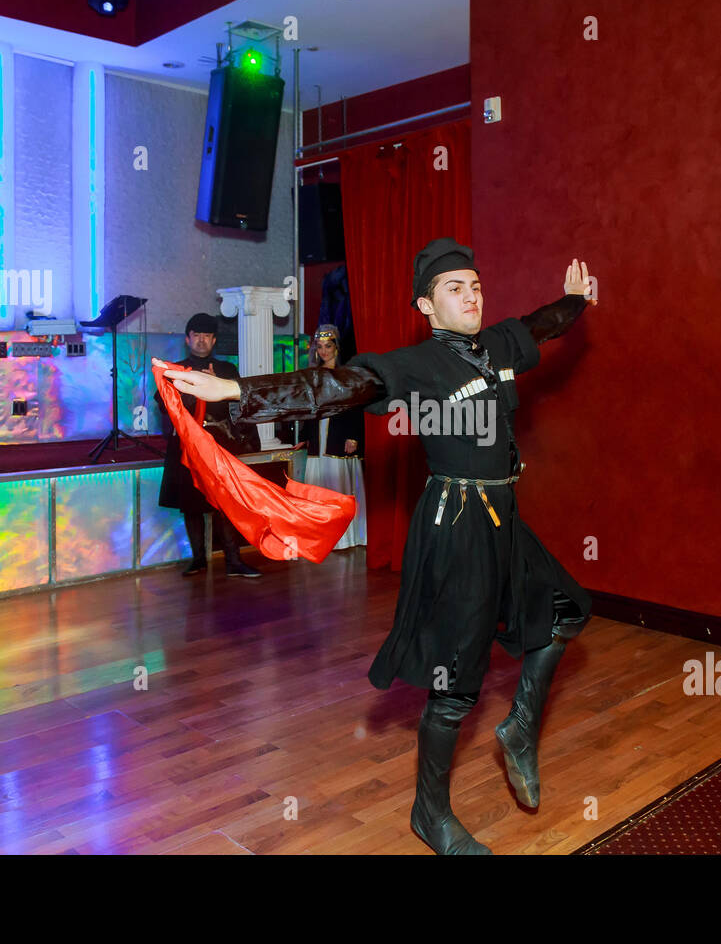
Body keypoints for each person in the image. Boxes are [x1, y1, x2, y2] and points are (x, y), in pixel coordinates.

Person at [159, 239, 595, 855]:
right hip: (458, 520)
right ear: (428, 305)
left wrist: (574, 303)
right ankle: (431, 813)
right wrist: (237, 393)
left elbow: (539, 326)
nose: (469, 295)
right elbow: (332, 386)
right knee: (457, 683)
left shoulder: (496, 344)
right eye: (453, 289)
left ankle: (521, 727)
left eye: (474, 285)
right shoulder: (414, 365)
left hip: (504, 515)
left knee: (568, 610)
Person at [156, 312, 263, 579]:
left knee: (225, 504)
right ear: (187, 339)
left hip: (220, 446)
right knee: (191, 504)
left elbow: (242, 405)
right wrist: (193, 390)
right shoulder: (175, 370)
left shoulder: (226, 370)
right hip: (189, 446)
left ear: (214, 340)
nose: (201, 340)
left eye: (207, 336)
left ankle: (234, 561)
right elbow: (164, 404)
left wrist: (216, 386)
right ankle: (198, 559)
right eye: (197, 335)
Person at [291, 324, 367, 550]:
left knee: (338, 487)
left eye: (328, 346)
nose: (324, 351)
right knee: (320, 487)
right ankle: (323, 537)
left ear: (337, 347)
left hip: (340, 437)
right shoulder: (314, 376)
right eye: (320, 347)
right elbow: (309, 409)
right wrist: (304, 436)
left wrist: (354, 436)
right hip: (318, 439)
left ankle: (347, 538)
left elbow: (356, 406)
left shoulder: (347, 375)